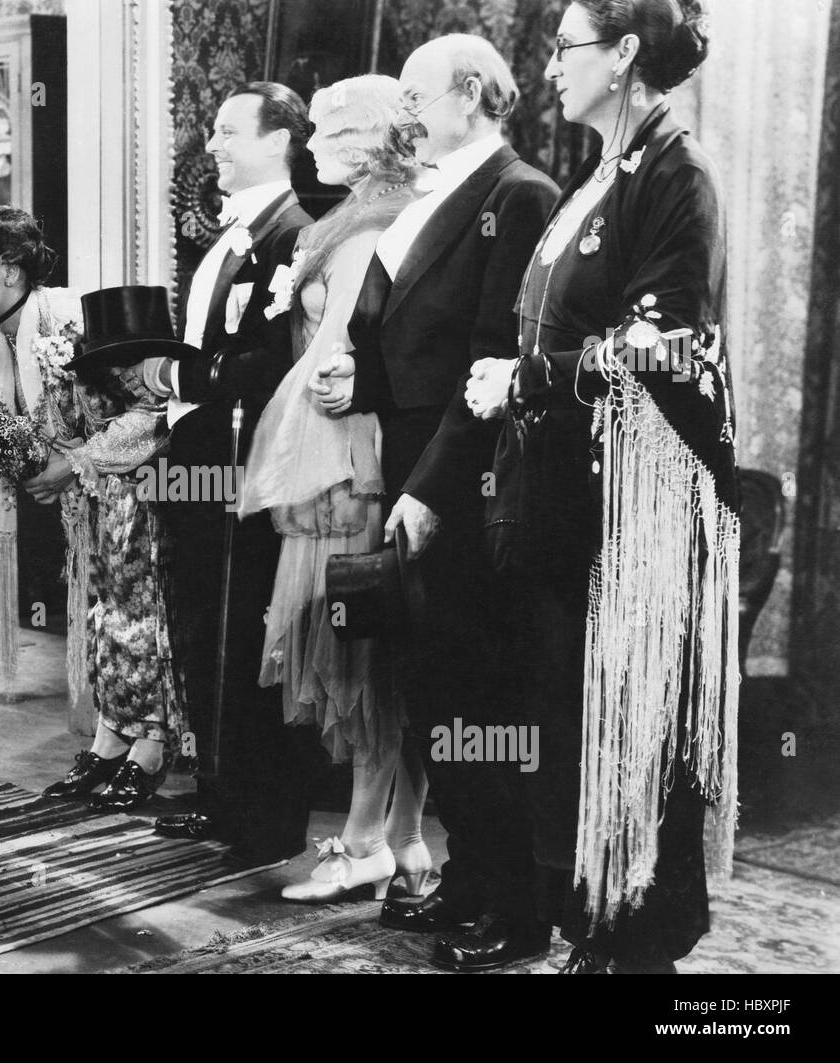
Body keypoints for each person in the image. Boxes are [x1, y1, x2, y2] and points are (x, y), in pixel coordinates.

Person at [465, 0, 737, 974]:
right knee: (572, 727)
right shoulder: (601, 172)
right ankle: (594, 930)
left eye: (568, 46)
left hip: (636, 515)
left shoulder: (677, 173)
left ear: (623, 55)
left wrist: (527, 379)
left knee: (631, 731)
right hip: (565, 508)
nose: (550, 66)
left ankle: (635, 949)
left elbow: (662, 346)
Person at [313, 36, 559, 968]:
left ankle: (518, 904)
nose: (408, 112)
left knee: (481, 693)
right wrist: (355, 373)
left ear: (470, 94)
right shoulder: (428, 194)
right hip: (415, 465)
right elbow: (403, 340)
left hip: (470, 482)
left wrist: (428, 490)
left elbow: (490, 366)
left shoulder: (517, 194)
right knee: (432, 690)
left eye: (419, 94)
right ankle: (468, 878)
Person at [236, 76, 428, 901]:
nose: (309, 145)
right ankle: (403, 839)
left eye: (325, 131)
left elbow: (343, 345)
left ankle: (365, 842)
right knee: (368, 645)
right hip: (347, 442)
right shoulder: (360, 213)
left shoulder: (375, 220)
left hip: (352, 453)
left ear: (363, 139)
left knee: (363, 648)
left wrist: (292, 435)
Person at [0, 214, 183, 806]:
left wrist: (75, 465)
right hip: (90, 506)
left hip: (141, 490)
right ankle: (108, 742)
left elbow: (154, 410)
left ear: (8, 269)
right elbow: (0, 435)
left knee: (140, 615)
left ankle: (151, 747)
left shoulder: (72, 319)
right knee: (104, 614)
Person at [146, 83, 319, 868]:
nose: (210, 145)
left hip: (241, 462)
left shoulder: (295, 236)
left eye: (226, 132)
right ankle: (218, 788)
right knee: (199, 616)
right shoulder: (227, 237)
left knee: (242, 622)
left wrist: (184, 379)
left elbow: (277, 358)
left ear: (280, 138)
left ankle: (265, 812)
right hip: (197, 456)